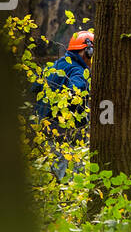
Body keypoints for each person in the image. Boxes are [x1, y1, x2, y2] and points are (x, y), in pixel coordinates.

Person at [33, 29, 94, 179]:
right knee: (72, 174)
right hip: (66, 131)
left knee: (50, 173)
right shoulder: (79, 71)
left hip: (45, 127)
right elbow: (75, 92)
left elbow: (34, 87)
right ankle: (65, 201)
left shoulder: (55, 65)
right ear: (87, 51)